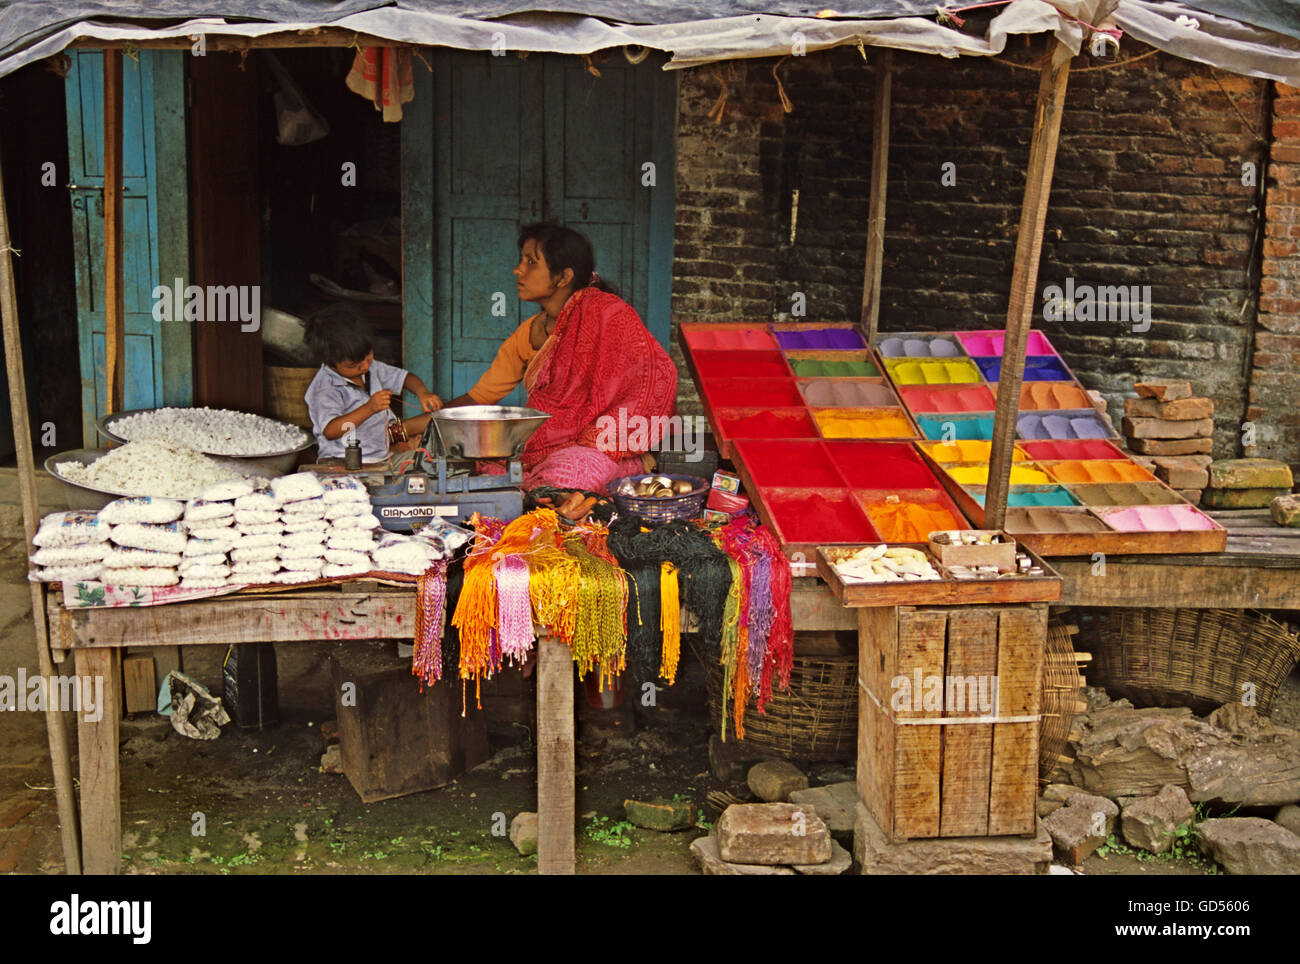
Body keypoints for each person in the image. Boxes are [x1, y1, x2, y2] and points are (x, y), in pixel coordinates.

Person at [443, 223, 677, 490]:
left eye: (531, 262)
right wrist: (404, 429)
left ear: (563, 277)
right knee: (458, 461)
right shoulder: (529, 332)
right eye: (522, 260)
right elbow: (480, 398)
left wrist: (598, 435)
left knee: (566, 477)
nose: (518, 270)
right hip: (539, 448)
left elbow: (660, 376)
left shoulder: (609, 314)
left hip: (604, 449)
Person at [303, 306, 442, 463]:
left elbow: (406, 378)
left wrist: (422, 392)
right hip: (343, 462)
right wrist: (369, 408)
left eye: (368, 357)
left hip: (381, 455)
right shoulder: (325, 388)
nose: (365, 366)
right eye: (353, 365)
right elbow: (331, 430)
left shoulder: (372, 368)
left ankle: (400, 446)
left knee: (434, 449)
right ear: (331, 363)